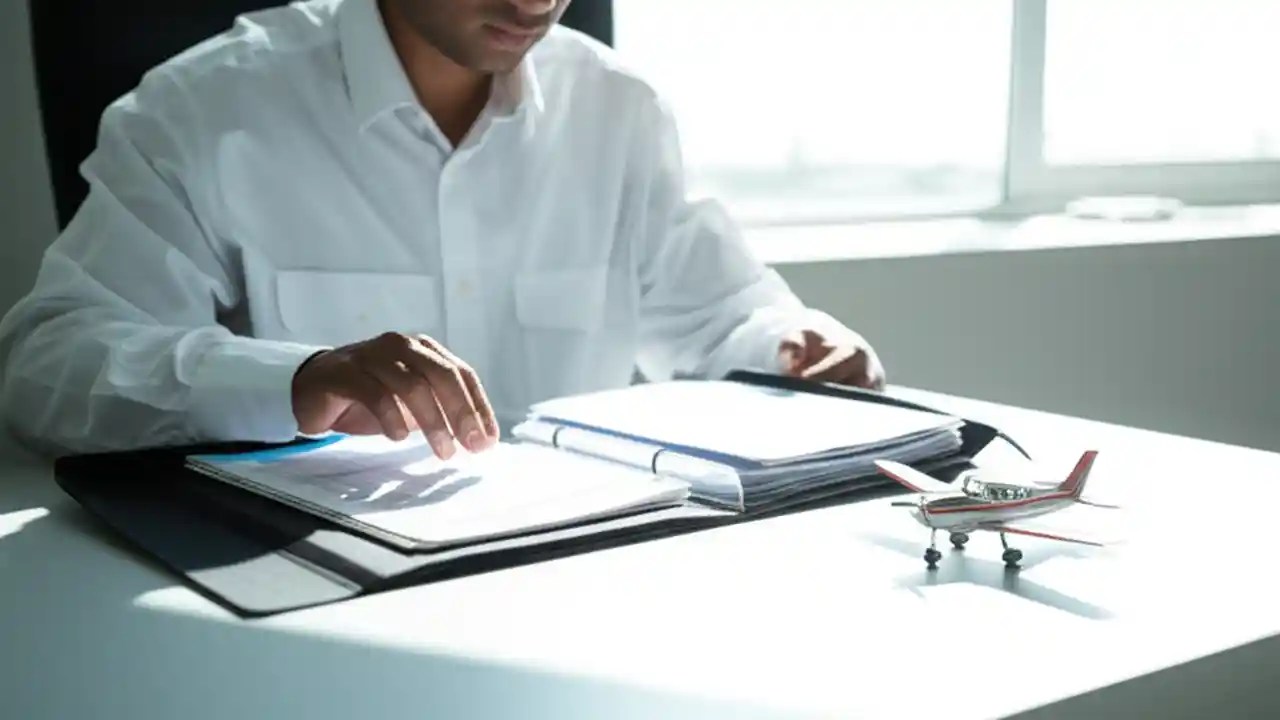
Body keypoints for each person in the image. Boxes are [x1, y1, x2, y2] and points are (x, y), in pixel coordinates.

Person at [0, 0, 885, 458]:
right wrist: (295, 379)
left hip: (580, 597)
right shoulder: (204, 112)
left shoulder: (621, 111)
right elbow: (45, 366)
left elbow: (722, 316)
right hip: (307, 627)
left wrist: (791, 349)